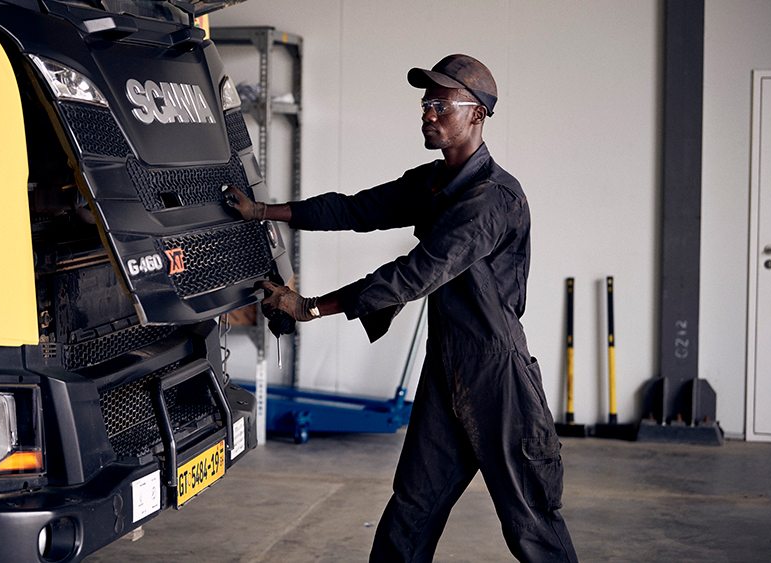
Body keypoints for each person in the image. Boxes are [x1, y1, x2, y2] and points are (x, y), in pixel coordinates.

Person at [224, 54, 577, 563]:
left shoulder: (492, 198)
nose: (427, 113)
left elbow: (417, 273)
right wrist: (263, 211)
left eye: (441, 104)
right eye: (424, 102)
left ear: (476, 114)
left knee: (531, 524)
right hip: (447, 370)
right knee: (410, 513)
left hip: (496, 377)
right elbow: (354, 209)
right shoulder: (434, 184)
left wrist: (309, 307)